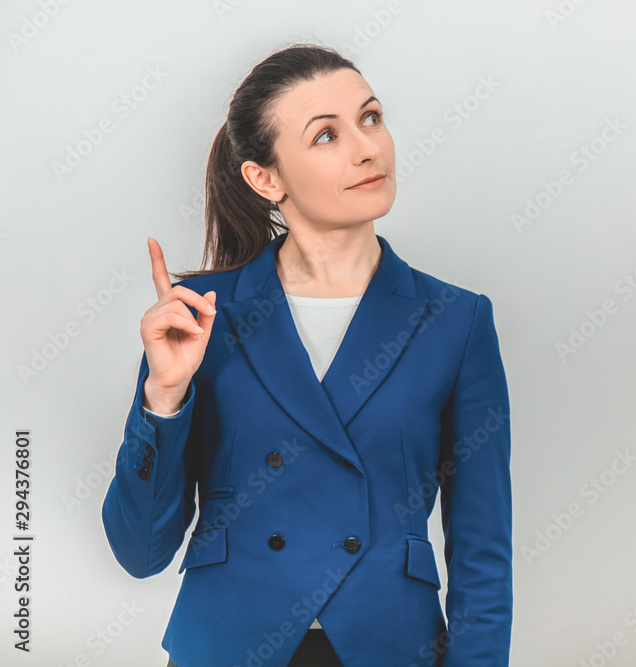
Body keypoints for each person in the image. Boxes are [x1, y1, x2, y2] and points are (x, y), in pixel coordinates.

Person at [100, 43, 513, 667]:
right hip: (229, 645)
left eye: (371, 118)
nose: (366, 148)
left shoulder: (456, 320)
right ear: (265, 179)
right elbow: (140, 552)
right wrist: (164, 397)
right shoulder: (202, 315)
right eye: (326, 135)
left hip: (387, 645)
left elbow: (483, 549)